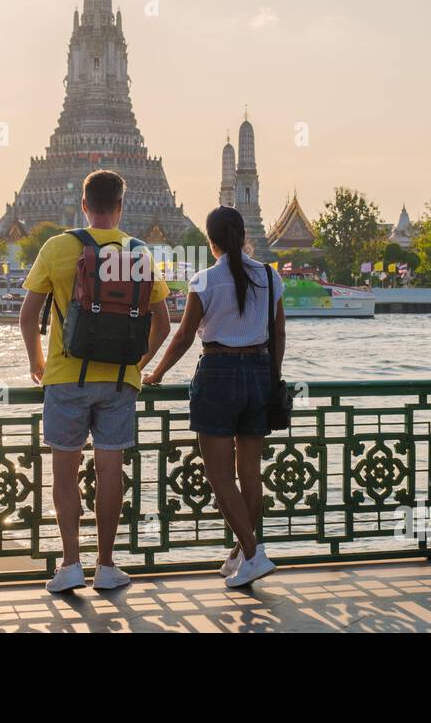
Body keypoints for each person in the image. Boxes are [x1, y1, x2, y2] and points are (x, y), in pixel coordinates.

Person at [19, 170, 171, 593]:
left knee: (65, 474)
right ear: (121, 206)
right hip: (120, 383)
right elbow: (163, 324)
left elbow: (28, 316)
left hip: (66, 377)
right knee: (110, 473)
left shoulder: (58, 247)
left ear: (84, 205)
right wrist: (138, 363)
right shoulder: (139, 252)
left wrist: (37, 362)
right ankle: (106, 565)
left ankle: (70, 564)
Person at [142, 206, 285, 588]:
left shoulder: (205, 280)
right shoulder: (269, 276)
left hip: (219, 372)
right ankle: (242, 553)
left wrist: (157, 372)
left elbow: (184, 336)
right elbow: (279, 334)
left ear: (211, 241)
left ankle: (252, 553)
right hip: (259, 372)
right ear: (243, 235)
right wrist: (272, 376)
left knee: (220, 475)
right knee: (249, 473)